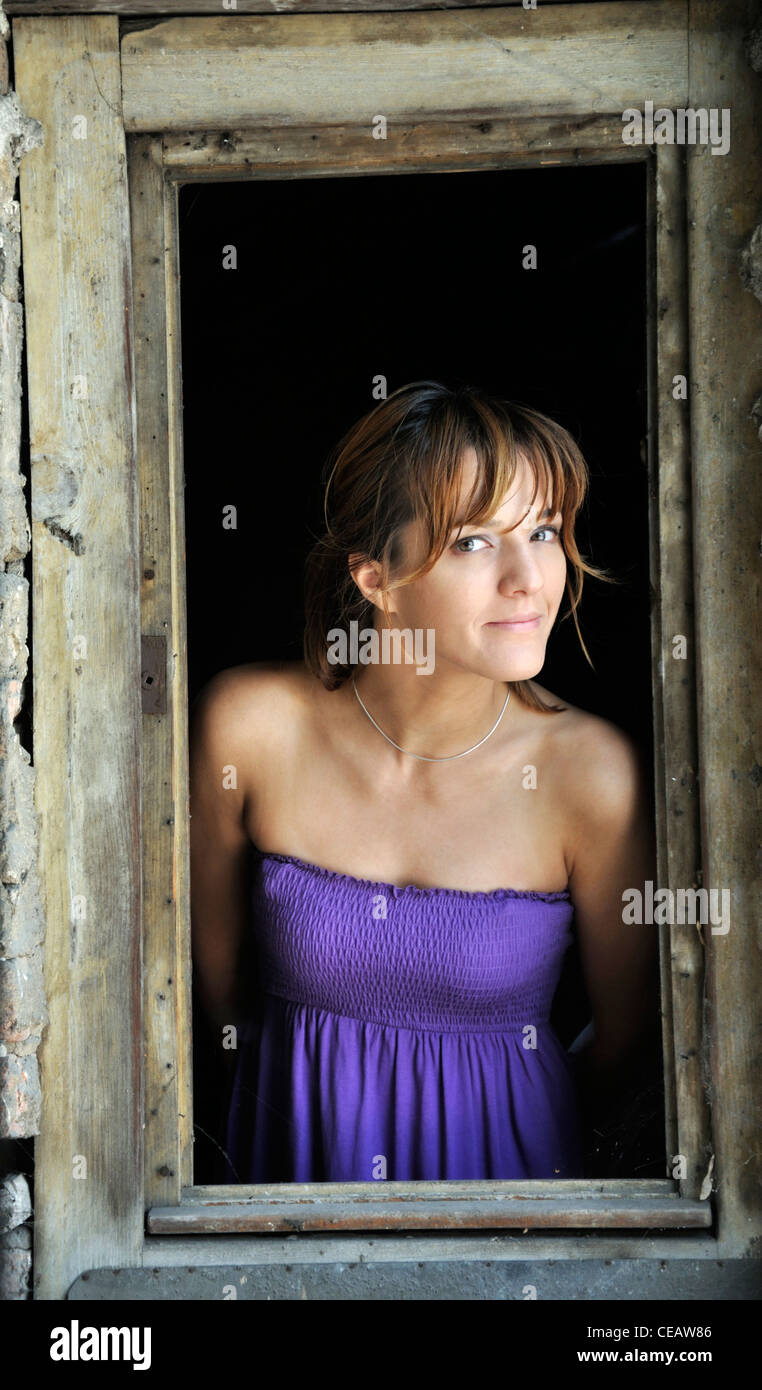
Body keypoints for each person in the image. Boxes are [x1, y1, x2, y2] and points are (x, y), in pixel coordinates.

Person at [189, 380, 659, 1182]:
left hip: (512, 1215)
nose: (529, 579)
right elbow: (215, 1002)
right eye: (474, 542)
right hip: (288, 1202)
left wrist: (502, 1120)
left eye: (543, 532)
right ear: (375, 578)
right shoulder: (249, 728)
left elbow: (628, 1042)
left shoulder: (591, 774)